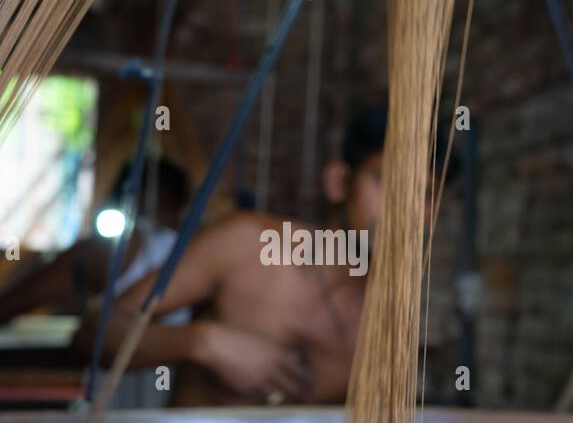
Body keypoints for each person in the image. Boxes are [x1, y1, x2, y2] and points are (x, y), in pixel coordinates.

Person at [94, 106, 451, 406]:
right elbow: (94, 332)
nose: (405, 208)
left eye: (425, 193)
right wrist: (202, 341)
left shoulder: (390, 312)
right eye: (385, 181)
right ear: (339, 182)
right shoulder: (247, 245)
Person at [0, 158, 192, 387]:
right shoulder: (115, 253)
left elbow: (9, 305)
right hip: (151, 401)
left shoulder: (119, 253)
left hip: (148, 400)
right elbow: (10, 305)